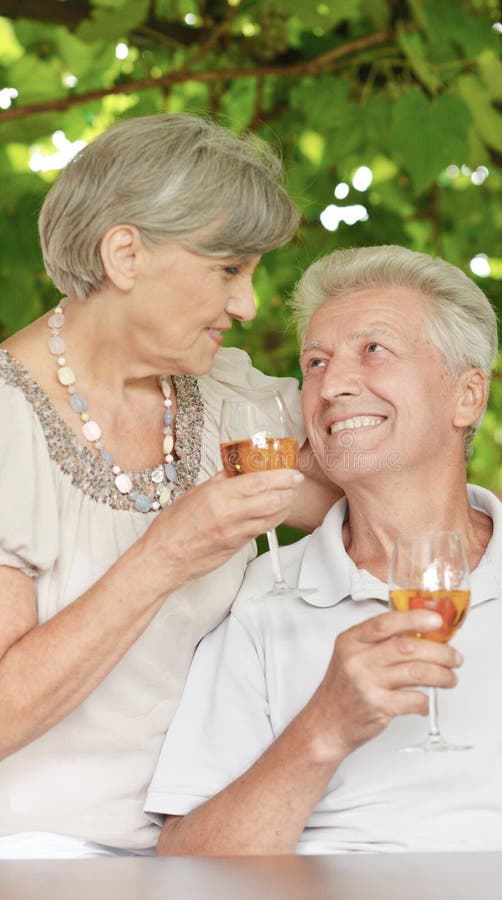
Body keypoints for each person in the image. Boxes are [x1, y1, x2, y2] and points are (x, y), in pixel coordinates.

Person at [147, 245, 502, 856]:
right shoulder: (262, 596)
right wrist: (324, 730)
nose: (332, 385)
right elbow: (186, 862)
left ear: (467, 397)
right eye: (315, 361)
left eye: (374, 350)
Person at [0, 112, 342, 859]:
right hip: (34, 853)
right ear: (125, 254)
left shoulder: (226, 397)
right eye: (228, 269)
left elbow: (395, 493)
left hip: (207, 844)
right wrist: (164, 555)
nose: (247, 306)